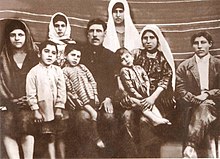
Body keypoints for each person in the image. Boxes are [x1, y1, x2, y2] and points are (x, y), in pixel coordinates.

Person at [118, 24, 176, 157]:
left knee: (145, 121)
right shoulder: (136, 54)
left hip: (158, 98)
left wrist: (151, 98)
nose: (148, 41)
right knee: (127, 117)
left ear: (158, 39)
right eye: (145, 38)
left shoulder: (163, 59)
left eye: (151, 38)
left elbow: (164, 82)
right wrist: (128, 94)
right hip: (136, 96)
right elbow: (123, 73)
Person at [78, 18, 118, 157]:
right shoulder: (79, 54)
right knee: (83, 118)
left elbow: (113, 82)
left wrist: (108, 98)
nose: (95, 34)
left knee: (109, 118)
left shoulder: (111, 56)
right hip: (82, 102)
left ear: (104, 34)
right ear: (87, 34)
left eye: (98, 31)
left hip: (103, 100)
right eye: (92, 31)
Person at [176, 31, 220, 158]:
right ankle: (191, 149)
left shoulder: (218, 64)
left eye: (203, 42)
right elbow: (180, 90)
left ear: (210, 44)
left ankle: (190, 147)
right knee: (202, 107)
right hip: (192, 106)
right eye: (196, 43)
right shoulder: (184, 66)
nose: (199, 46)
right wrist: (196, 99)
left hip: (216, 106)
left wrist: (207, 94)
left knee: (206, 106)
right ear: (192, 46)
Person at [0, 19, 39, 159]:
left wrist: (29, 99)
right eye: (13, 35)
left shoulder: (35, 56)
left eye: (20, 35)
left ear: (26, 36)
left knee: (25, 119)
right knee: (6, 119)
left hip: (30, 102)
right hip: (7, 102)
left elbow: (41, 80)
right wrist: (9, 100)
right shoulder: (3, 57)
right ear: (8, 37)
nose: (17, 38)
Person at [26, 40, 66, 159]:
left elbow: (62, 89)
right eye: (47, 51)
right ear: (39, 54)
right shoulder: (33, 72)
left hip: (56, 110)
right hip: (44, 111)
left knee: (58, 136)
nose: (49, 55)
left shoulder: (58, 70)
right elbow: (31, 93)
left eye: (53, 53)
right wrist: (36, 110)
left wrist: (59, 107)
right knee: (47, 137)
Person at [62, 43, 105, 148]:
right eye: (73, 55)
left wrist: (95, 94)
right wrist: (76, 99)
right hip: (80, 100)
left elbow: (92, 80)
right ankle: (96, 138)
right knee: (93, 114)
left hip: (90, 96)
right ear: (65, 55)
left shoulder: (82, 67)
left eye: (78, 56)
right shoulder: (64, 71)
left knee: (99, 114)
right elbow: (69, 87)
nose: (76, 58)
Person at [115, 47, 171, 126]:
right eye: (122, 60)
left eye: (127, 57)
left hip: (144, 93)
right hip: (132, 97)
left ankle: (160, 120)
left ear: (132, 56)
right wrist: (138, 96)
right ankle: (154, 119)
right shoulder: (124, 71)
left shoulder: (139, 68)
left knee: (151, 104)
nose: (126, 60)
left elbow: (146, 78)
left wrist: (147, 90)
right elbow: (129, 86)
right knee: (143, 104)